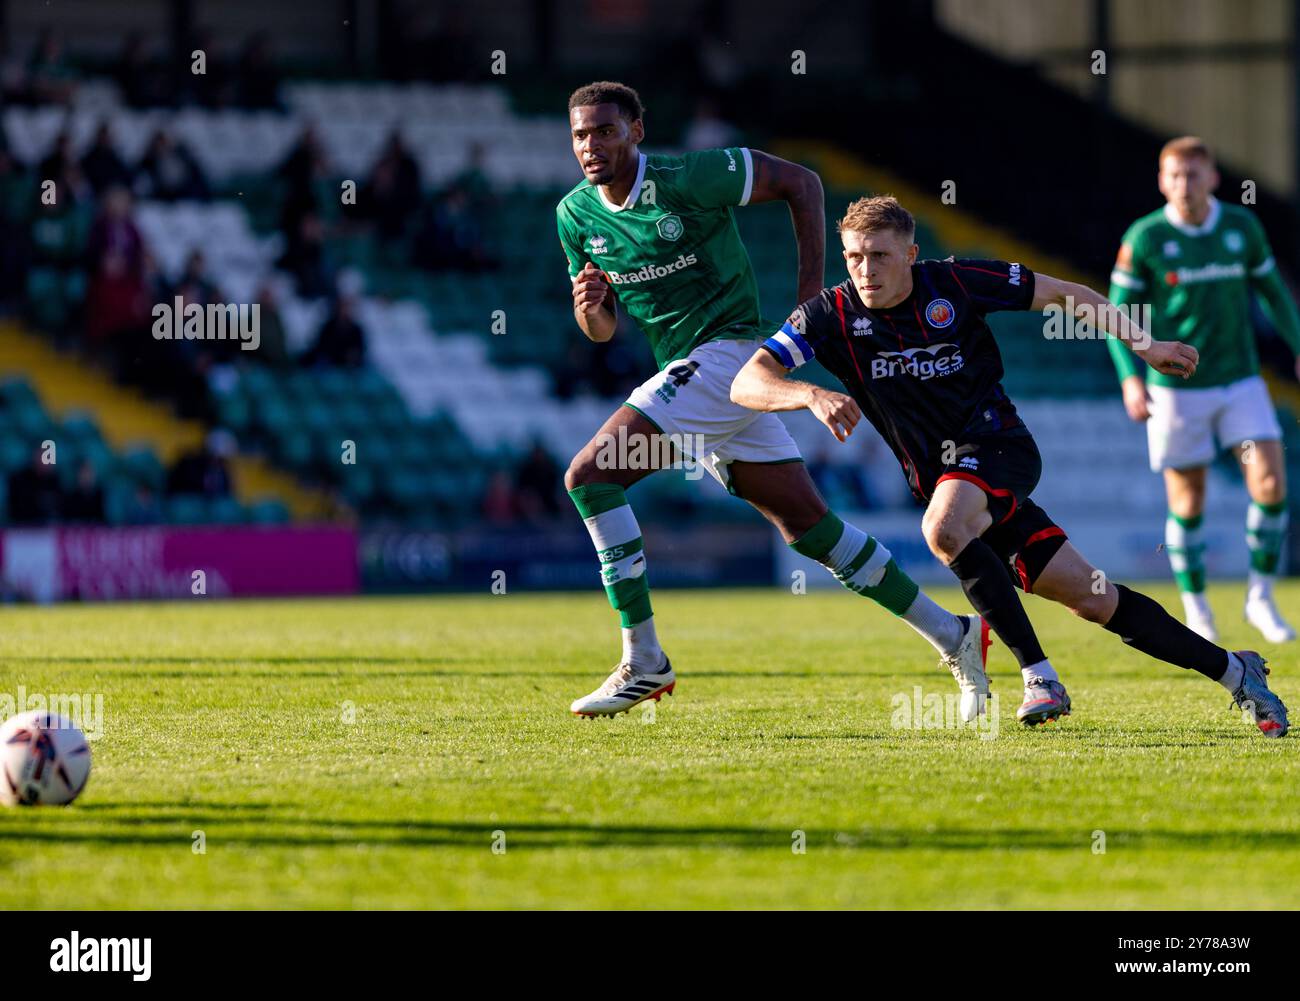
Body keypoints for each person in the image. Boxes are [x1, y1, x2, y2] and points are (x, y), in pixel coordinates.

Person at [730, 194, 1288, 737]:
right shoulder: (828, 314)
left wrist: (1144, 346)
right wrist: (807, 394)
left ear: (910, 254)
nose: (865, 269)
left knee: (943, 530)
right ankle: (1238, 672)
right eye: (854, 256)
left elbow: (1069, 294)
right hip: (948, 481)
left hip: (1000, 448)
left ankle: (1039, 678)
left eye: (879, 255)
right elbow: (746, 382)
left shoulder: (955, 282)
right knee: (1095, 599)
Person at [556, 82, 987, 719]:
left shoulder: (691, 178)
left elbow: (804, 183)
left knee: (590, 476)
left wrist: (810, 295)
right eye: (580, 135)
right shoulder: (574, 215)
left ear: (636, 131)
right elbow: (603, 329)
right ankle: (954, 634)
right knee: (811, 531)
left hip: (729, 355)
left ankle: (643, 658)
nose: (591, 146)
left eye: (605, 131)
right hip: (696, 376)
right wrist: (590, 313)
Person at [1108, 136, 1300, 644]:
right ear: (1161, 181)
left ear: (1213, 178)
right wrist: (1131, 377)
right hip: (1175, 389)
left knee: (1272, 485)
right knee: (1189, 502)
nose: (1184, 185)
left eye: (1193, 174)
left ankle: (1260, 596)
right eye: (1174, 175)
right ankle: (1197, 610)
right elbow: (1114, 315)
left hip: (1240, 382)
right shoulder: (1145, 237)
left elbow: (1273, 293)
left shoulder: (1242, 227)